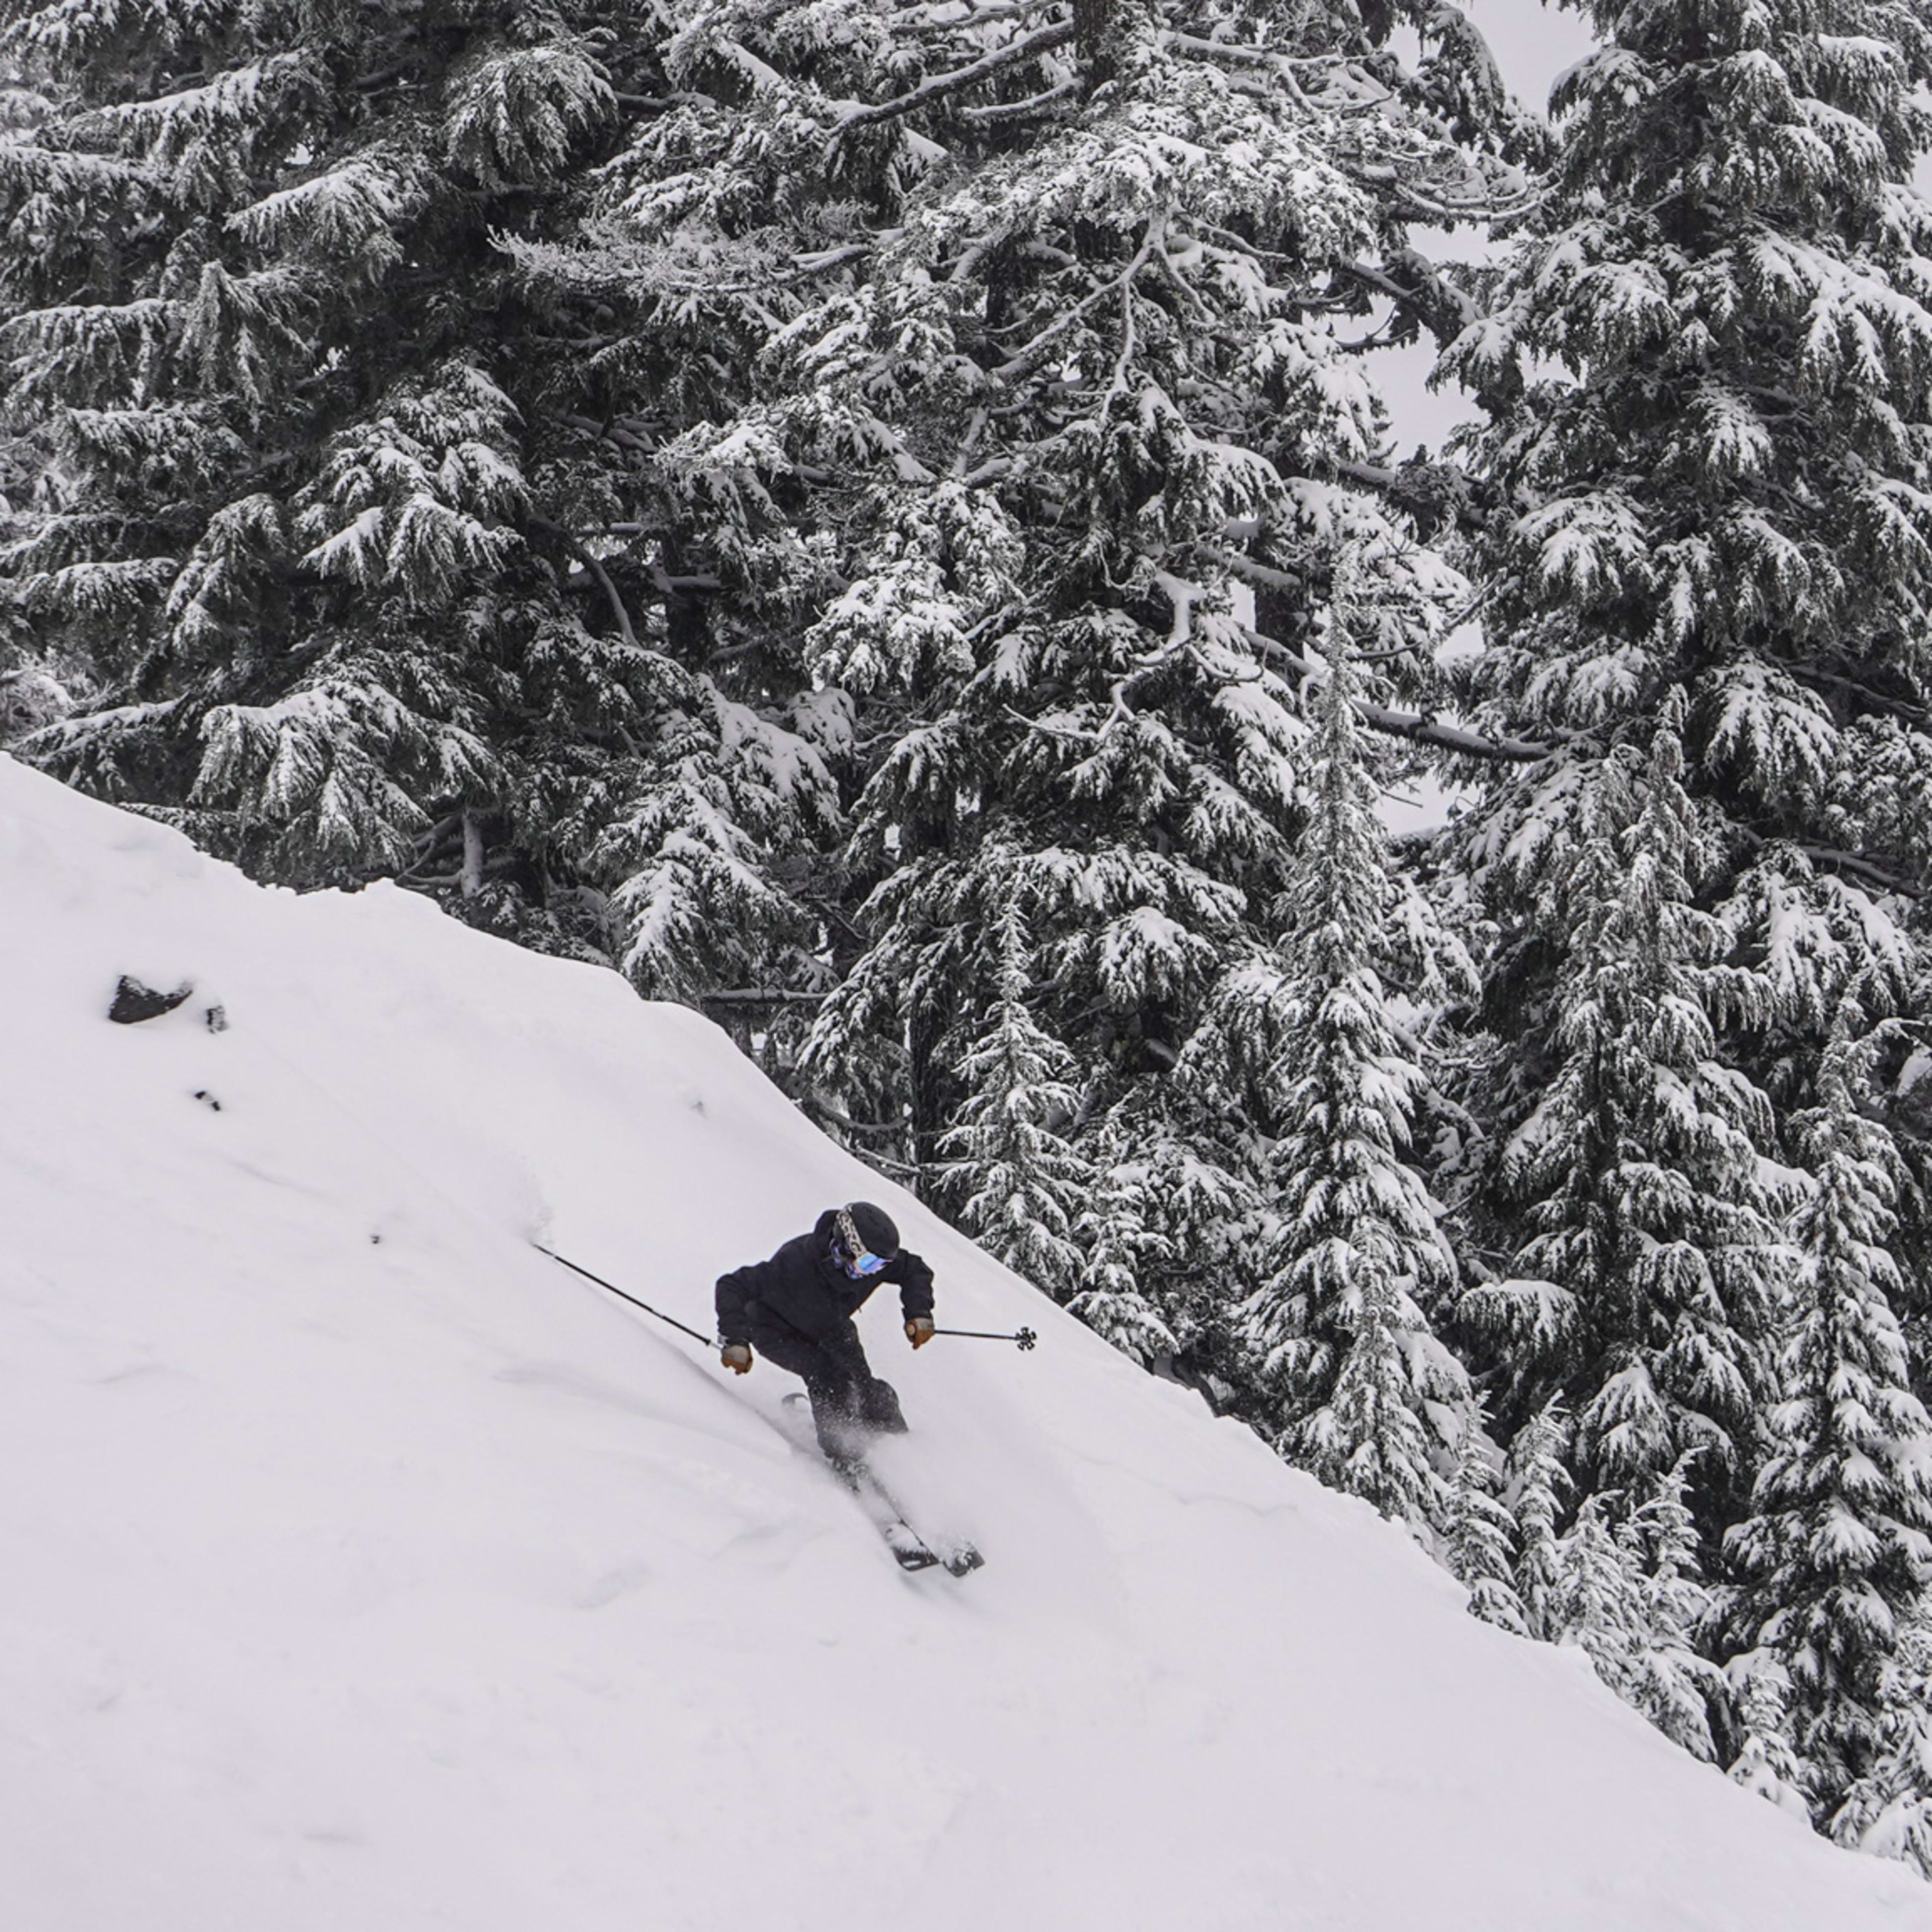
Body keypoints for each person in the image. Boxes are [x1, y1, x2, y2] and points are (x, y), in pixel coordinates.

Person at [715, 1202, 936, 1464]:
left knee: (866, 1387)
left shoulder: (866, 1266)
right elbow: (732, 1286)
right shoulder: (794, 1265)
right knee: (830, 1377)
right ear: (845, 1246)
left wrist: (918, 1312)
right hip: (775, 1330)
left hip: (831, 1326)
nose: (872, 1272)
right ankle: (844, 1454)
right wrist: (735, 1339)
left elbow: (915, 1270)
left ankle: (899, 1448)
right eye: (868, 1263)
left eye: (879, 1266)